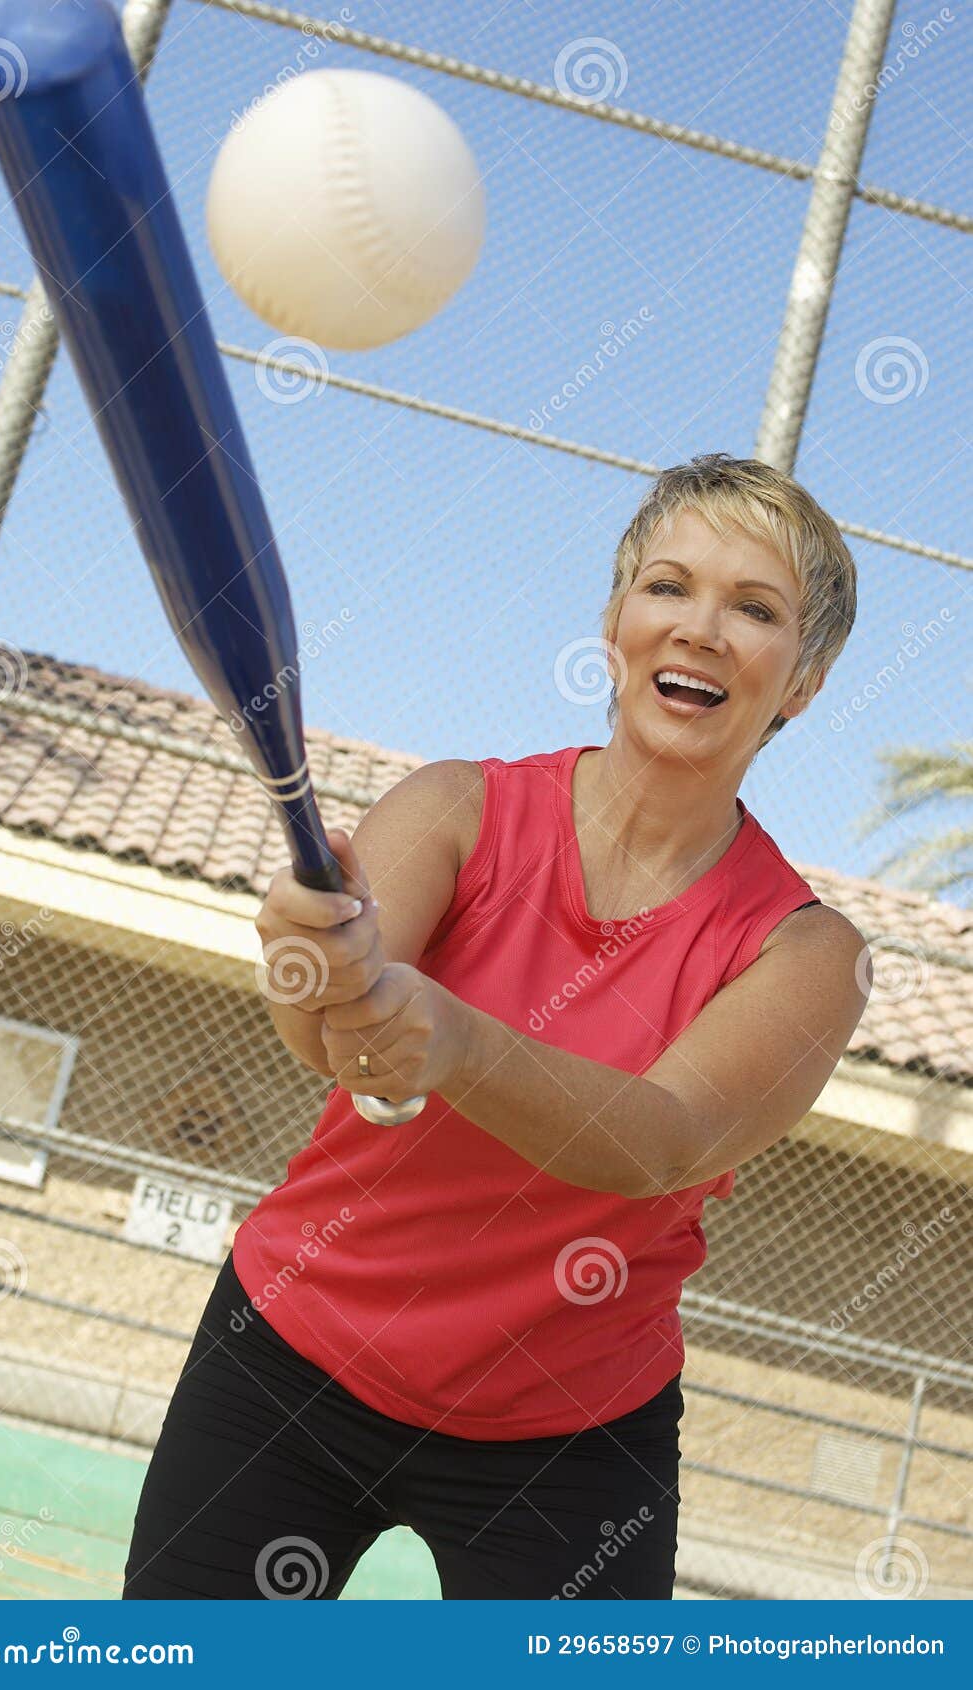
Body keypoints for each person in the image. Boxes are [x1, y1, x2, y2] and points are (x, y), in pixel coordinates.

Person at [123, 453, 870, 1600]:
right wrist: (311, 966)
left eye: (755, 609)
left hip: (568, 1434)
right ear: (615, 625)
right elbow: (341, 1044)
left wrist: (456, 1040)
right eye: (667, 587)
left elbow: (662, 1140)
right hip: (297, 1351)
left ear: (803, 680)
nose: (700, 628)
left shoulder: (805, 953)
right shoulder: (455, 807)